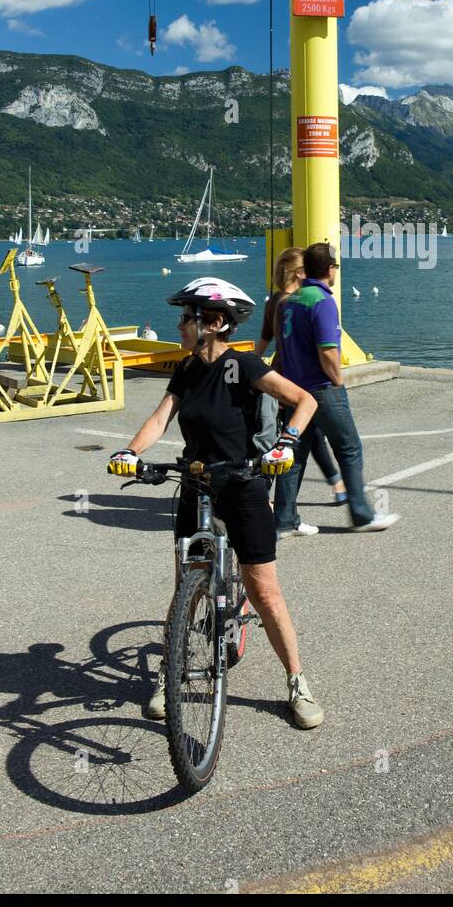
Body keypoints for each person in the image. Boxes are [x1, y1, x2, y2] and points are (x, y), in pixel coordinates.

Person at [107, 276, 324, 730]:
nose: (180, 324)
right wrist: (131, 452)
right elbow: (161, 416)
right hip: (195, 481)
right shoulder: (187, 369)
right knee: (185, 587)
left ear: (214, 322)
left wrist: (285, 444)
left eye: (187, 317)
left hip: (243, 483)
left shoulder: (243, 365)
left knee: (264, 590)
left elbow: (304, 401)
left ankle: (296, 680)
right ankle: (172, 674)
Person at [273, 243, 399, 534]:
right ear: (330, 269)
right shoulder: (322, 301)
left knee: (294, 455)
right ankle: (362, 515)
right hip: (321, 388)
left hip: (295, 391)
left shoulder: (290, 302)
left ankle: (284, 520)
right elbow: (328, 351)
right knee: (349, 447)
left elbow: (283, 347)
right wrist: (338, 381)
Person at [256, 246, 348, 536]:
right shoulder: (297, 301)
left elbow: (261, 342)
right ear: (299, 272)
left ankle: (288, 512)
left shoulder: (275, 301)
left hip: (281, 377)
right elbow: (317, 347)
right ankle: (291, 510)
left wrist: (251, 372)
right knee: (302, 442)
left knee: (302, 438)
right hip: (299, 380)